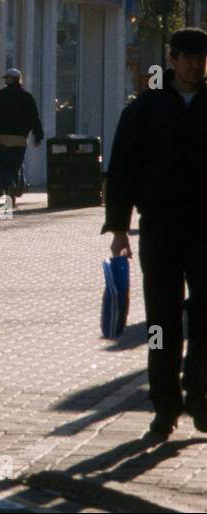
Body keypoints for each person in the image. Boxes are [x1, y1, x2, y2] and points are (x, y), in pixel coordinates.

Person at [104, 28, 207, 439]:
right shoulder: (146, 108)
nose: (195, 66)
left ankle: (198, 392)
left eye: (202, 59)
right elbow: (123, 168)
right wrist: (117, 227)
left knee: (205, 314)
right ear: (172, 59)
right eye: (187, 58)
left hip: (205, 231)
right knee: (162, 323)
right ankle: (165, 408)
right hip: (160, 230)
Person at [0, 68, 44, 200]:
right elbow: (34, 117)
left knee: (4, 164)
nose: (6, 80)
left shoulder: (1, 95)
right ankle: (13, 187)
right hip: (21, 138)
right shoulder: (27, 97)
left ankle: (9, 186)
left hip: (3, 137)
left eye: (7, 78)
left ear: (12, 79)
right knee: (16, 165)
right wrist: (38, 135)